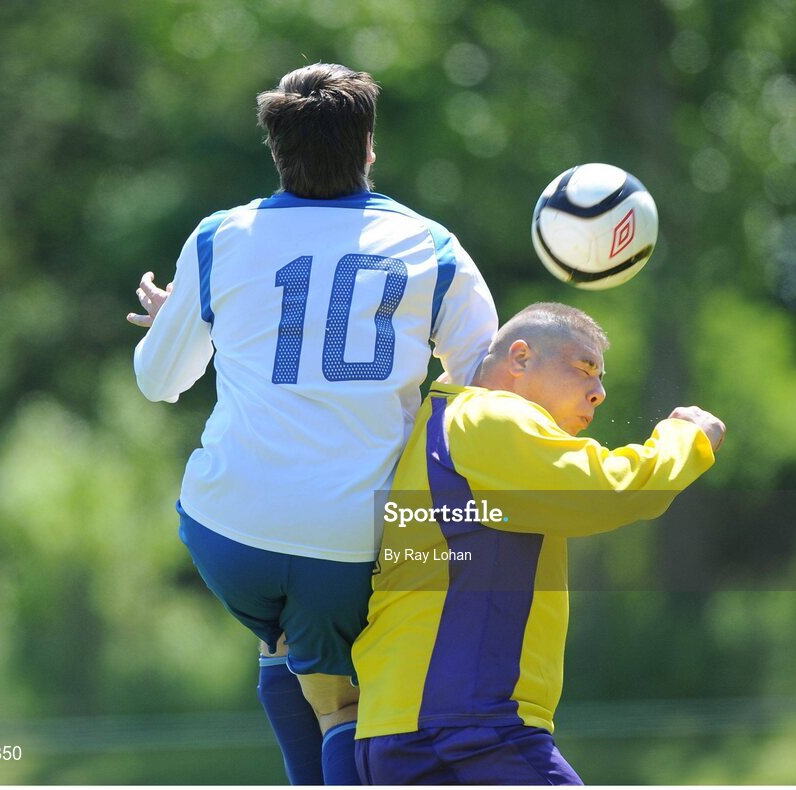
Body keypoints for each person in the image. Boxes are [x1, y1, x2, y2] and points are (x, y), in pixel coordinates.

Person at [128, 63, 497, 785]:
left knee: (284, 645)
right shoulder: (432, 246)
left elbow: (158, 381)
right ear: (370, 148)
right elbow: (483, 387)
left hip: (227, 532)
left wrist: (188, 321)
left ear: (275, 148)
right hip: (352, 541)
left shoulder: (220, 236)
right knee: (341, 702)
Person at [351, 302, 725, 785]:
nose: (599, 392)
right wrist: (687, 439)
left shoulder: (444, 423)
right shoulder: (487, 415)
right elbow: (610, 490)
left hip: (408, 728)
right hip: (466, 729)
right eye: (584, 368)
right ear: (520, 357)